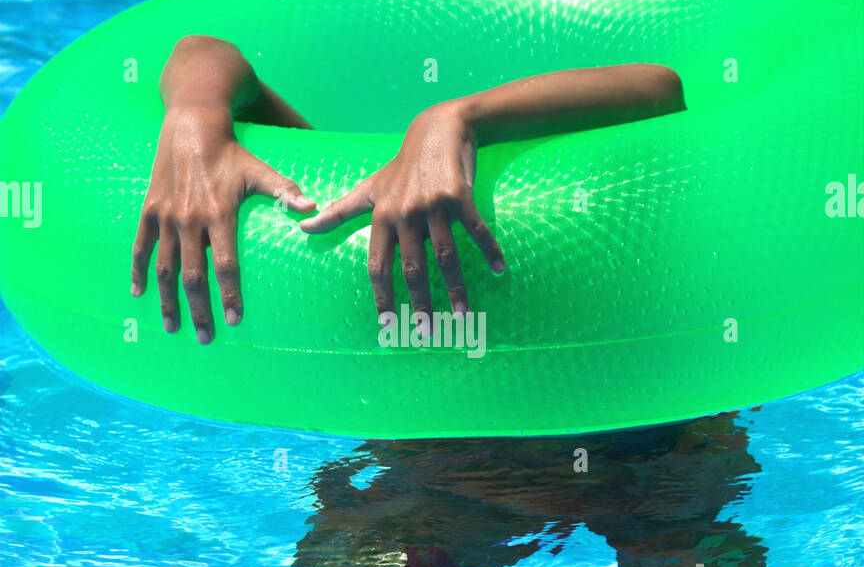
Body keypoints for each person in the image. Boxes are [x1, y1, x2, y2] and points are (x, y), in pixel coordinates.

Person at [130, 33, 684, 342]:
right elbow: (200, 50)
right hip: (431, 458)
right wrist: (193, 116)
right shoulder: (322, 201)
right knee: (353, 550)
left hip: (642, 431)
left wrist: (455, 118)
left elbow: (661, 91)